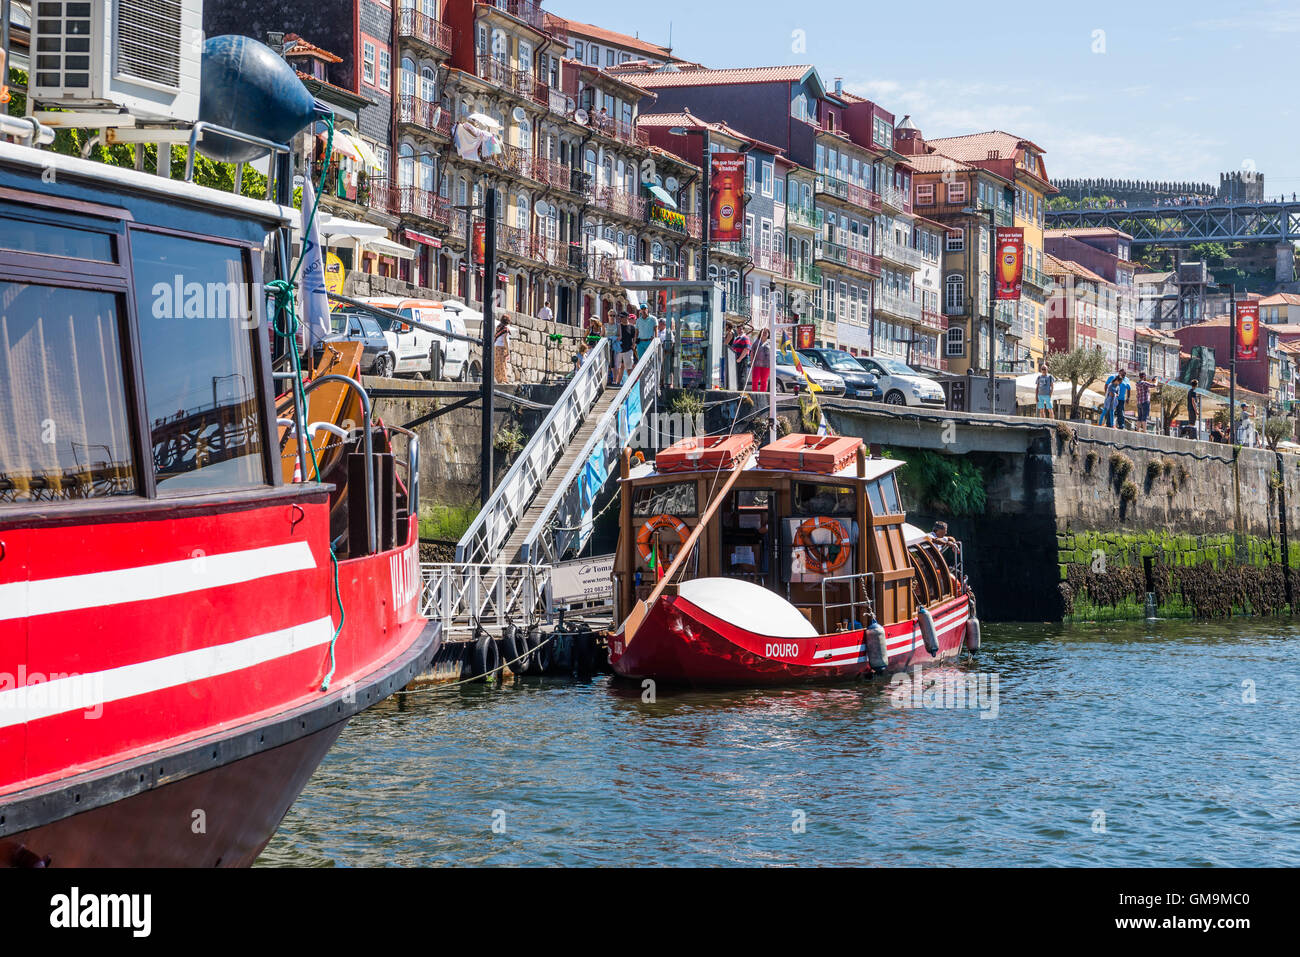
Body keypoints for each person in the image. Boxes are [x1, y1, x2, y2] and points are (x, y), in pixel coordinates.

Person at [730, 324, 753, 390]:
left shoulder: (745, 338)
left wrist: (739, 359)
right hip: (736, 360)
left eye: (741, 329)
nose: (739, 330)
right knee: (738, 376)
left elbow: (746, 349)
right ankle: (738, 390)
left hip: (742, 360)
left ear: (744, 330)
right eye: (738, 329)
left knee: (742, 376)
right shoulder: (737, 338)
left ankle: (741, 391)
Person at [617, 312, 636, 383]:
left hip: (628, 350)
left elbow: (634, 337)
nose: (621, 318)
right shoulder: (618, 326)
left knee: (629, 368)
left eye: (622, 317)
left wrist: (633, 345)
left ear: (627, 317)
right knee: (620, 368)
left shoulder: (631, 327)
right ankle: (617, 383)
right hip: (619, 350)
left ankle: (631, 383)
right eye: (620, 317)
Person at [751, 328, 772, 393]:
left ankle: (763, 394)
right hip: (757, 364)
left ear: (768, 334)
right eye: (763, 332)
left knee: (764, 380)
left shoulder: (770, 342)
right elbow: (752, 352)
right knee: (755, 380)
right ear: (760, 333)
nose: (765, 333)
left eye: (766, 332)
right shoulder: (756, 342)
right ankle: (754, 394)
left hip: (767, 365)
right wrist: (752, 363)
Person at [493, 315, 511, 384]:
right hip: (502, 348)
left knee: (497, 363)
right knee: (503, 364)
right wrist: (508, 351)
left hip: (496, 347)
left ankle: (499, 379)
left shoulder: (498, 327)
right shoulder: (505, 329)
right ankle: (504, 380)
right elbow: (505, 339)